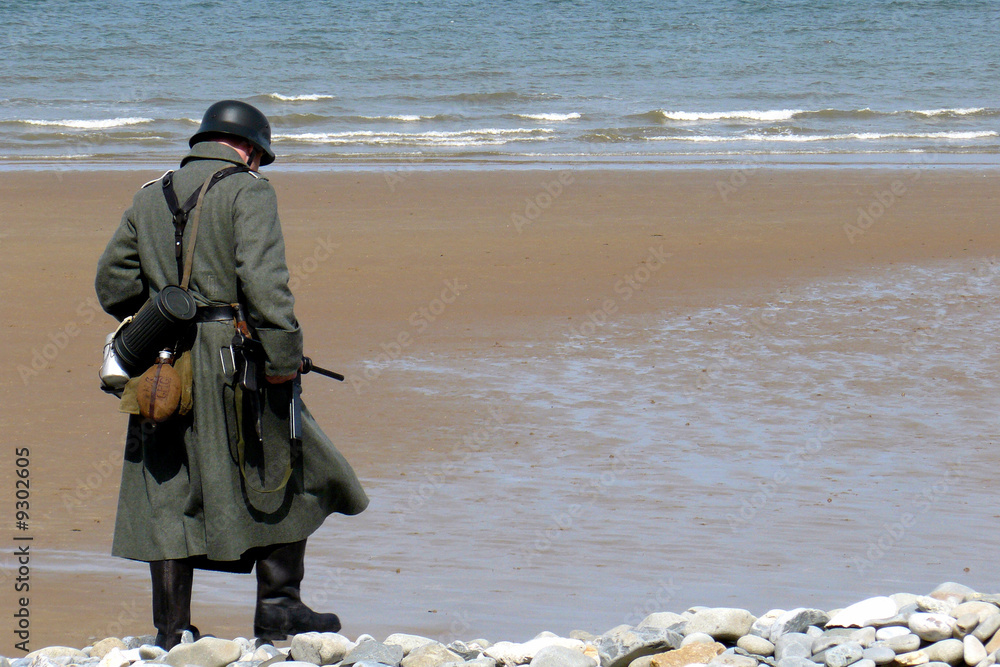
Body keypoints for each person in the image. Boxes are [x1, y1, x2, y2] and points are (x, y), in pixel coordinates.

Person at [95, 100, 369, 648]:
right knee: (293, 464)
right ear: (248, 149)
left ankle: (171, 633)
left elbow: (112, 284)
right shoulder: (248, 190)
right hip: (233, 359)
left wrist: (160, 305)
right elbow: (267, 286)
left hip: (160, 364)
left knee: (166, 487)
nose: (261, 168)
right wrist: (283, 360)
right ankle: (278, 611)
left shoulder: (150, 194)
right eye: (261, 158)